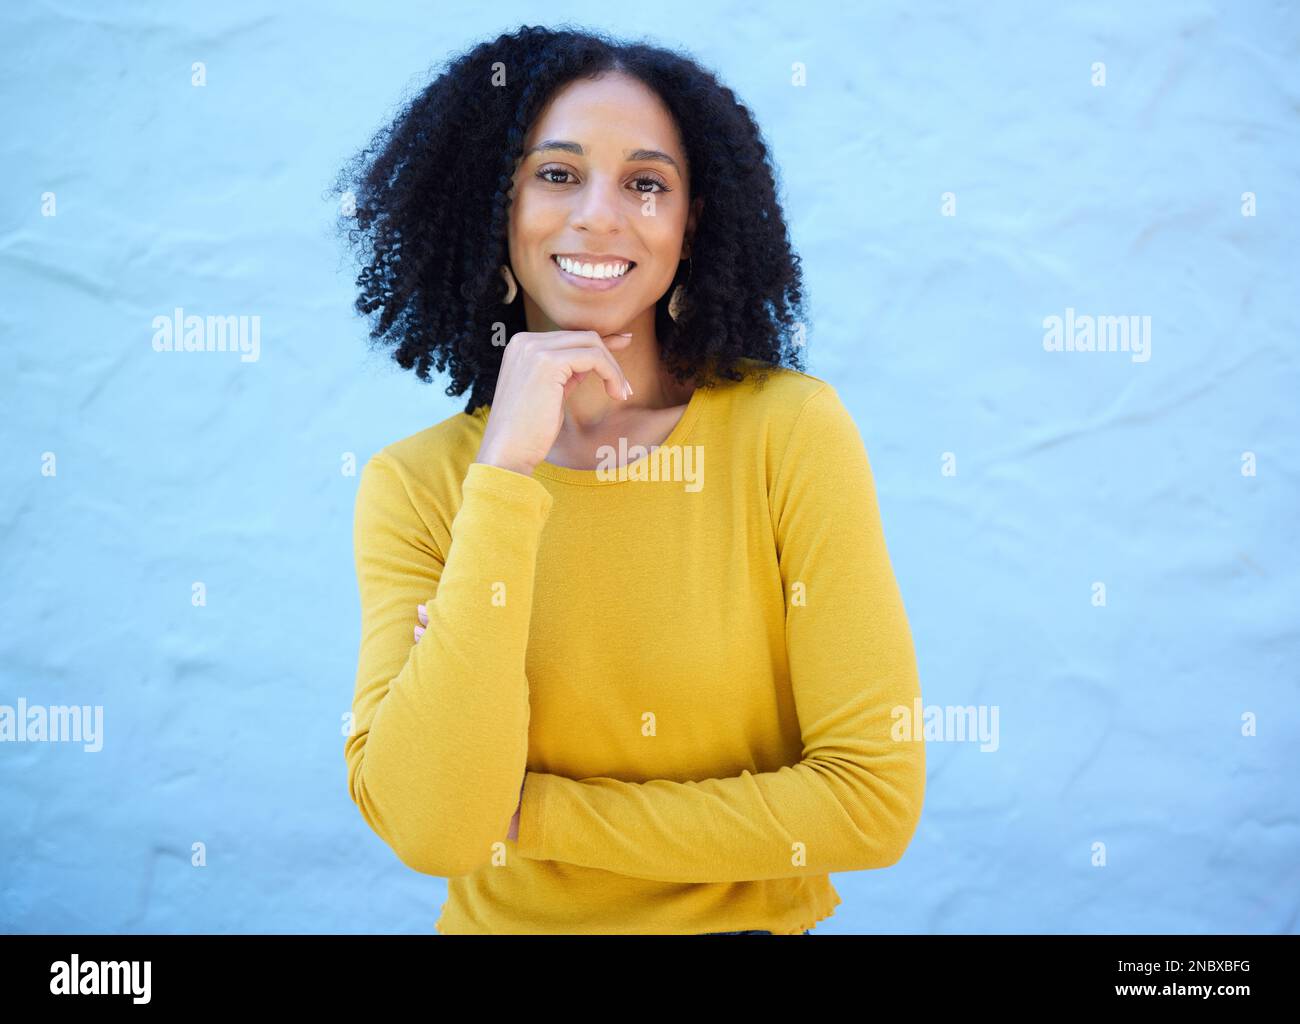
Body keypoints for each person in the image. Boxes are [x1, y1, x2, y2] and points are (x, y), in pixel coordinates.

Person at [335, 25, 925, 935]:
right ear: (494, 205)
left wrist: (535, 814)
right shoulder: (420, 488)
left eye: (647, 183)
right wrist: (502, 475)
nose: (600, 215)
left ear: (692, 227)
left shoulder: (788, 435)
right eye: (557, 174)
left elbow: (869, 802)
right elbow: (435, 829)